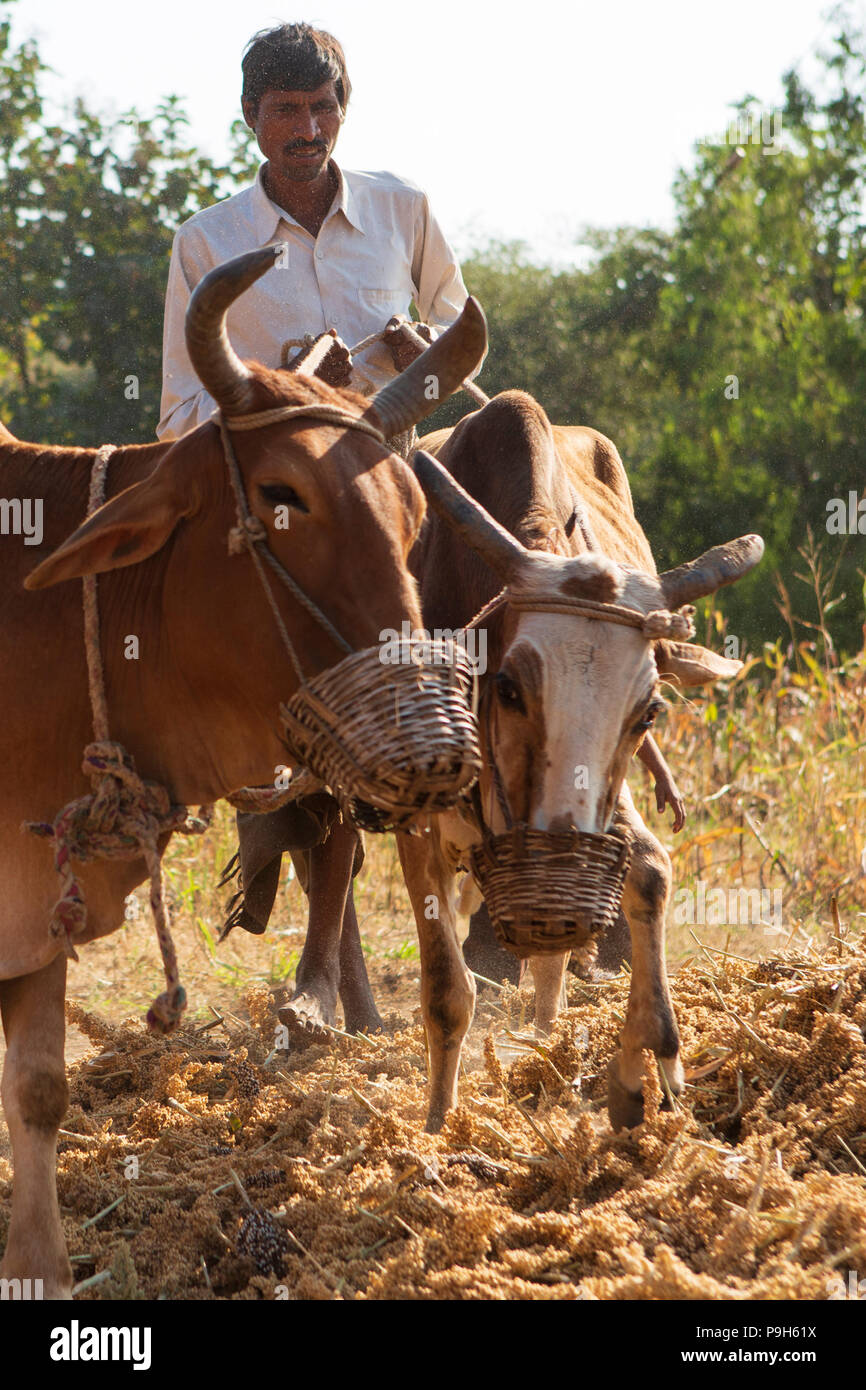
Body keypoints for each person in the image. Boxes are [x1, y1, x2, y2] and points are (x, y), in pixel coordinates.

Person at [158, 22, 473, 443]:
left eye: (323, 107)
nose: (308, 131)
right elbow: (179, 419)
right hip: (272, 484)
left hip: (392, 466)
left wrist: (429, 354)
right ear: (251, 113)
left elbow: (463, 331)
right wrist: (287, 388)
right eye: (286, 109)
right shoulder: (204, 242)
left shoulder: (403, 206)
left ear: (343, 106)